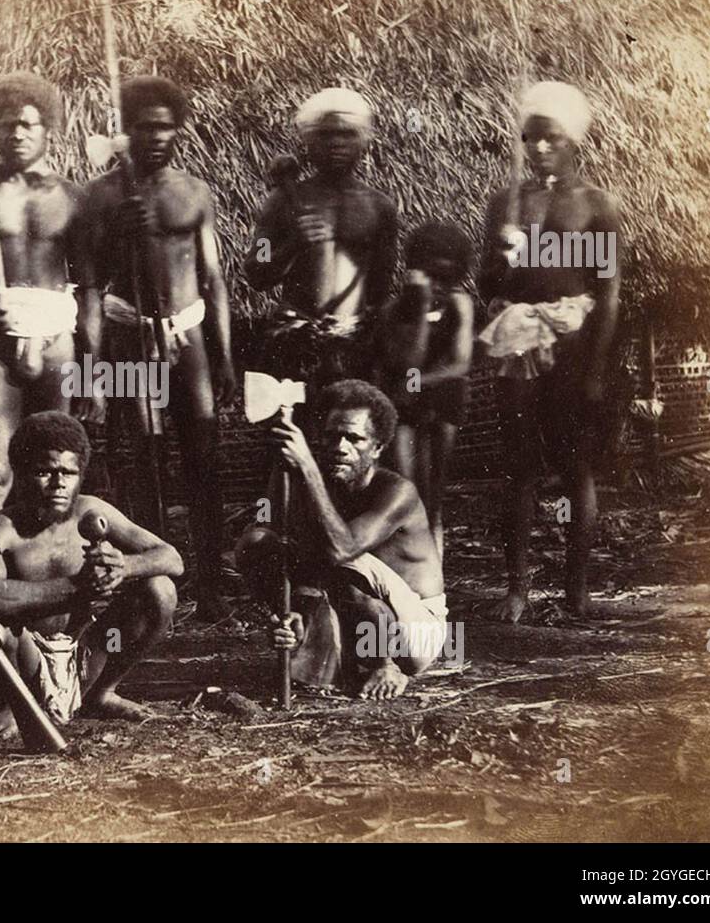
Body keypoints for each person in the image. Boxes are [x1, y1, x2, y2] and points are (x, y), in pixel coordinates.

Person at [79, 76, 236, 620]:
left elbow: (213, 279)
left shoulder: (194, 192)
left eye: (165, 127)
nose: (154, 137)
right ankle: (155, 577)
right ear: (127, 130)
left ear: (179, 131)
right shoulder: (102, 195)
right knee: (142, 459)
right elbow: (90, 283)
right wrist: (116, 233)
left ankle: (212, 580)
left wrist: (225, 355)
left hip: (187, 332)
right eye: (144, 127)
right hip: (129, 333)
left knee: (203, 452)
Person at [477, 81, 622, 622]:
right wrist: (505, 254)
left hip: (575, 344)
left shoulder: (595, 205)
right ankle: (517, 589)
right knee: (518, 467)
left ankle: (576, 589)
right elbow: (487, 281)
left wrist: (595, 369)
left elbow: (607, 291)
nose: (538, 149)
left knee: (575, 466)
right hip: (521, 339)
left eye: (550, 139)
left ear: (572, 142)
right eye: (530, 139)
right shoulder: (506, 204)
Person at [0, 412, 182, 740]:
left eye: (68, 473)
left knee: (161, 590)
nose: (58, 484)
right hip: (25, 660)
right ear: (22, 474)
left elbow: (172, 558)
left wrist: (124, 567)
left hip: (83, 655)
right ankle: (15, 706)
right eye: (44, 472)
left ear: (80, 474)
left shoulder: (91, 510)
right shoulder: (2, 530)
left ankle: (101, 692)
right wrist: (77, 587)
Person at [236, 380, 447, 700]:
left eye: (354, 438)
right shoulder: (322, 481)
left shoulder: (397, 491)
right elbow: (292, 548)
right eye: (332, 436)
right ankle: (308, 635)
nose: (340, 447)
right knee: (257, 541)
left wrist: (306, 467)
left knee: (347, 561)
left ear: (377, 448)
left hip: (413, 634)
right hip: (357, 613)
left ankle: (387, 665)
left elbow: (342, 549)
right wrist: (294, 609)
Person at [0, 72, 86, 532]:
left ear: (48, 129)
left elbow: (89, 286)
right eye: (7, 125)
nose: (17, 134)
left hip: (55, 339)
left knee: (57, 473)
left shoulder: (70, 197)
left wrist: (95, 366)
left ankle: (54, 581)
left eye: (28, 124)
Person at [243, 88, 397, 389]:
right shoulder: (281, 202)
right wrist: (292, 246)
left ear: (364, 141)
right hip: (294, 339)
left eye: (347, 134)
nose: (336, 143)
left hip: (354, 344)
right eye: (326, 135)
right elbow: (256, 271)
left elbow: (381, 288)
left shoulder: (380, 207)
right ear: (309, 142)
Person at [375, 222, 475, 558]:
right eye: (433, 276)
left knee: (434, 493)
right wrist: (419, 308)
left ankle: (434, 568)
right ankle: (409, 559)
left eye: (449, 278)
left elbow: (461, 363)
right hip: (405, 403)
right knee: (405, 484)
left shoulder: (461, 304)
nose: (441, 286)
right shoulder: (395, 310)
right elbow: (407, 361)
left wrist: (418, 382)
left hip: (444, 398)